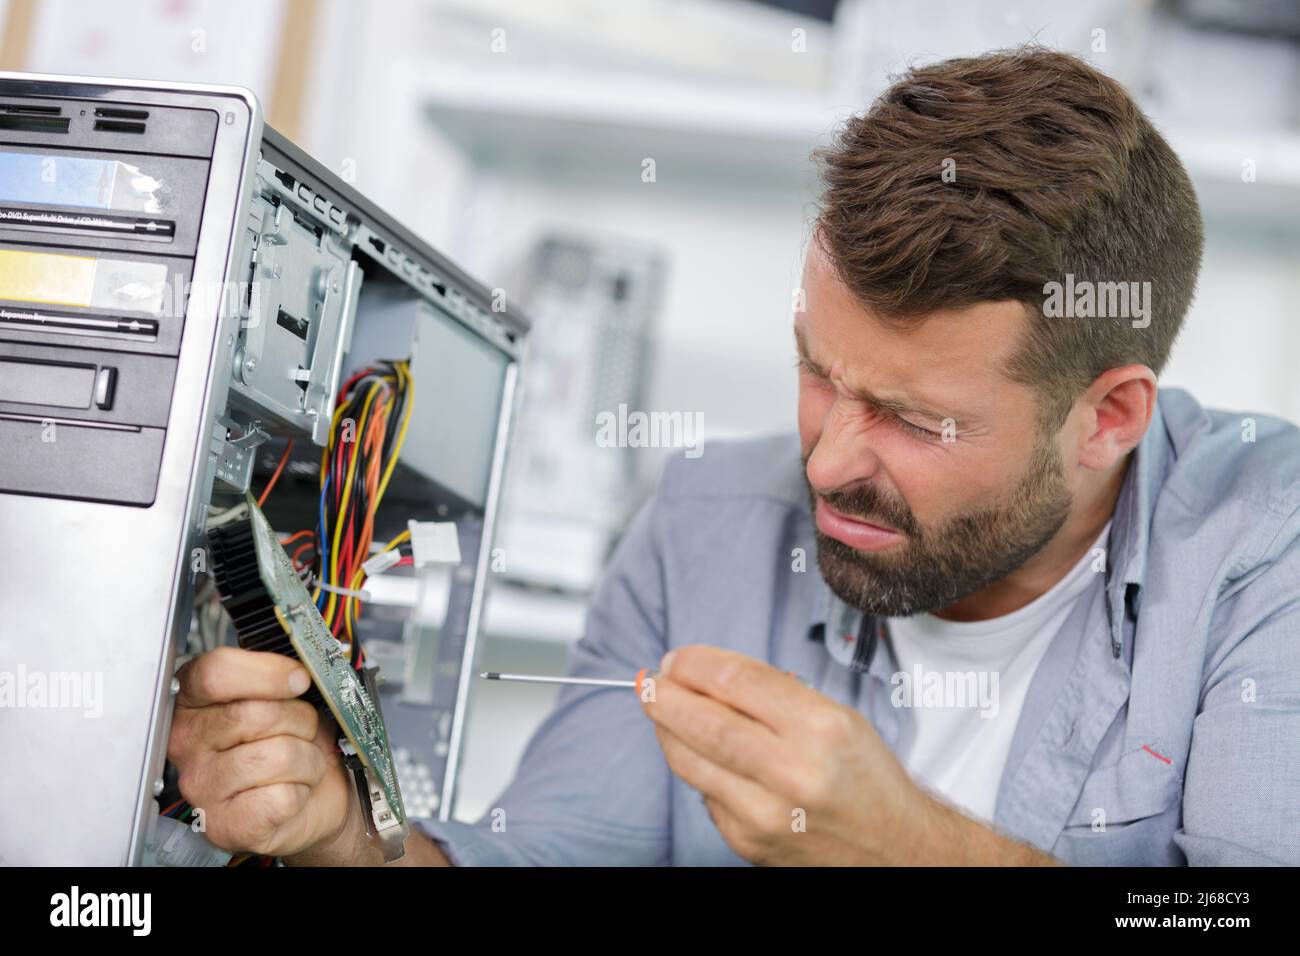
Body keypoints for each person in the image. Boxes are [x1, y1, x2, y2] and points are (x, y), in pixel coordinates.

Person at [167, 46, 1300, 866]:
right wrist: (346, 843)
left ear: (1107, 415)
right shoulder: (707, 520)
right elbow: (553, 854)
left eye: (913, 418)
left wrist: (904, 849)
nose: (825, 463)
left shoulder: (1264, 546)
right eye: (818, 371)